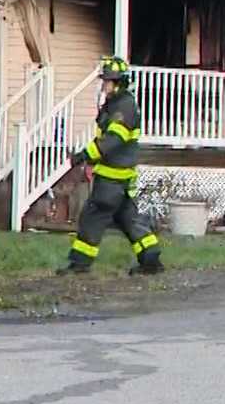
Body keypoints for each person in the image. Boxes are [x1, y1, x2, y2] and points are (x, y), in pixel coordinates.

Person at [62, 56, 163, 276]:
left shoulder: (123, 108)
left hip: (112, 178)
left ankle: (79, 264)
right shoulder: (118, 104)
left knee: (92, 217)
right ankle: (150, 259)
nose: (104, 85)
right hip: (119, 179)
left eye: (107, 81)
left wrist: (84, 156)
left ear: (119, 83)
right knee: (128, 219)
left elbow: (111, 141)